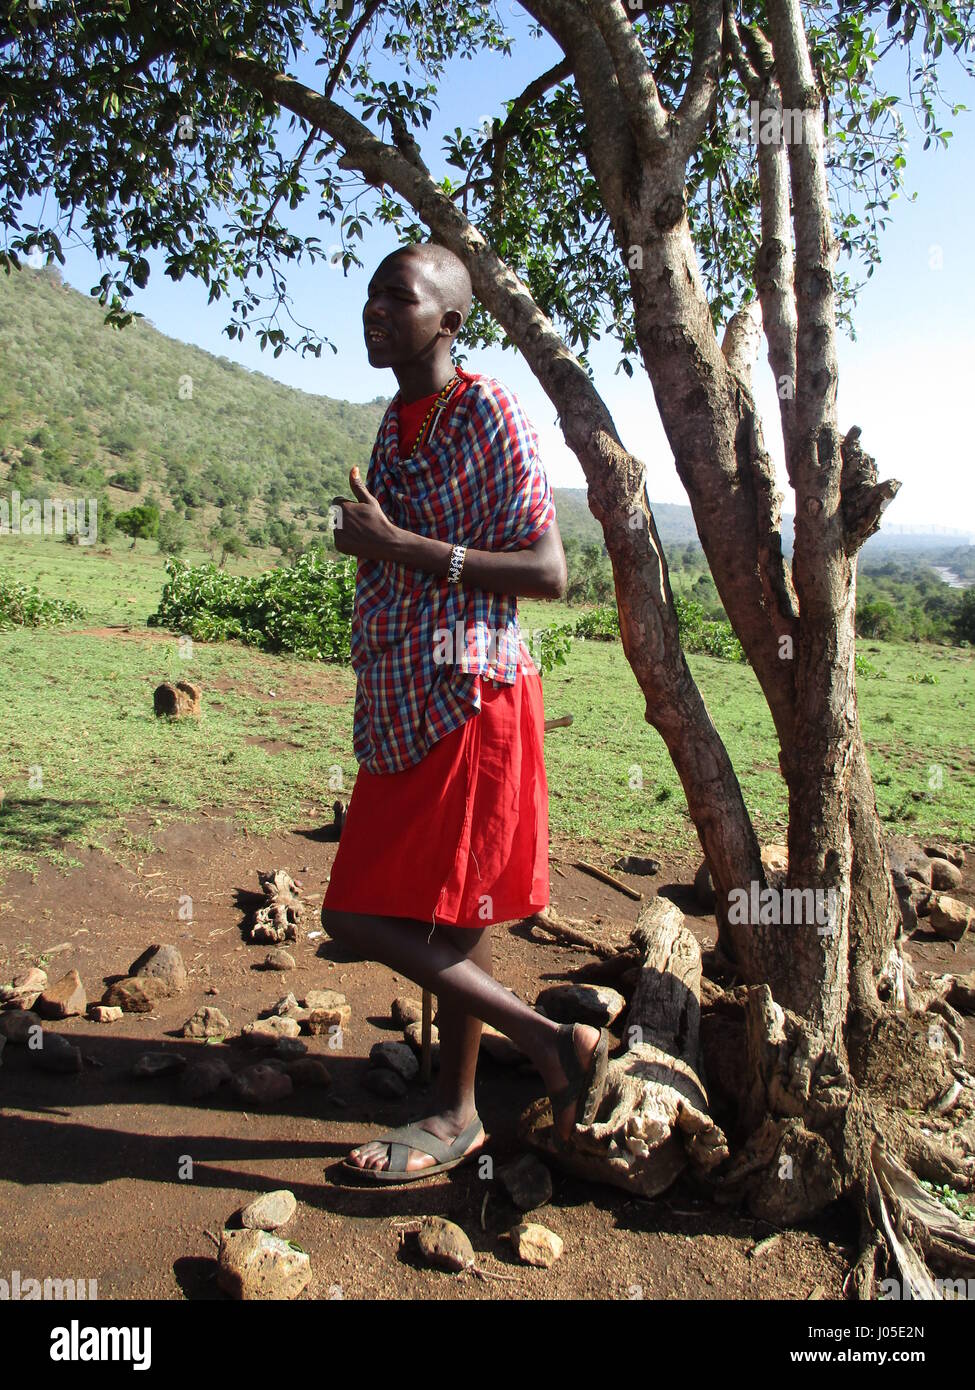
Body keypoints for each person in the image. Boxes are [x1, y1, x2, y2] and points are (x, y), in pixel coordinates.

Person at [322, 241, 608, 1182]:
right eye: (368, 294)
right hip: (407, 689)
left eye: (395, 297)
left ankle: (533, 1049)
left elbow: (547, 572)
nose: (372, 309)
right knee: (438, 910)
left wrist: (397, 543)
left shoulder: (489, 409)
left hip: (470, 689)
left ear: (448, 321)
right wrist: (375, 545)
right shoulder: (398, 422)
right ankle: (456, 1109)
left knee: (360, 912)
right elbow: (399, 552)